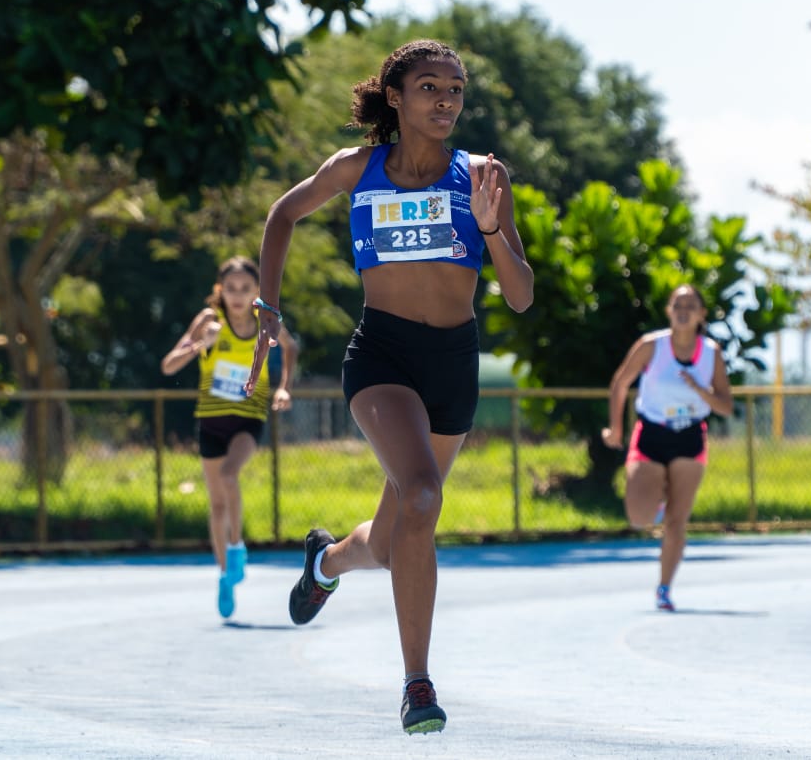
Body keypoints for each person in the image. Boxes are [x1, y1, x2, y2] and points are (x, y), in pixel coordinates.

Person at [243, 39, 533, 734]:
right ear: (395, 97)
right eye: (429, 86)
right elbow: (282, 215)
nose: (445, 100)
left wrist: (491, 229)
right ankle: (417, 682)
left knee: (391, 536)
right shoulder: (357, 167)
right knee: (423, 497)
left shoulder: (482, 174)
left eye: (455, 89)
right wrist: (268, 310)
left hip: (452, 363)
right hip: (382, 356)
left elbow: (521, 296)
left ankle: (327, 560)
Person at [161, 256, 296, 619]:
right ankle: (225, 574)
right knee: (217, 504)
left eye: (245, 289)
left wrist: (284, 387)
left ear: (256, 291)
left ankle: (236, 547)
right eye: (231, 289)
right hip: (210, 421)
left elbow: (291, 347)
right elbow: (168, 365)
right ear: (221, 290)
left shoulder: (264, 319)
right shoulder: (209, 320)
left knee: (229, 473)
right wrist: (199, 344)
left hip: (248, 418)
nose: (237, 296)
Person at [601, 284, 734, 612]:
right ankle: (656, 496)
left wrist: (700, 390)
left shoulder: (711, 353)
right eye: (678, 305)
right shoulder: (652, 346)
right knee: (639, 517)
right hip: (652, 434)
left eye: (691, 305)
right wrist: (616, 428)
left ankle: (664, 588)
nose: (684, 311)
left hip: (689, 437)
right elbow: (620, 382)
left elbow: (726, 406)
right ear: (669, 311)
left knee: (677, 521)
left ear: (702, 314)